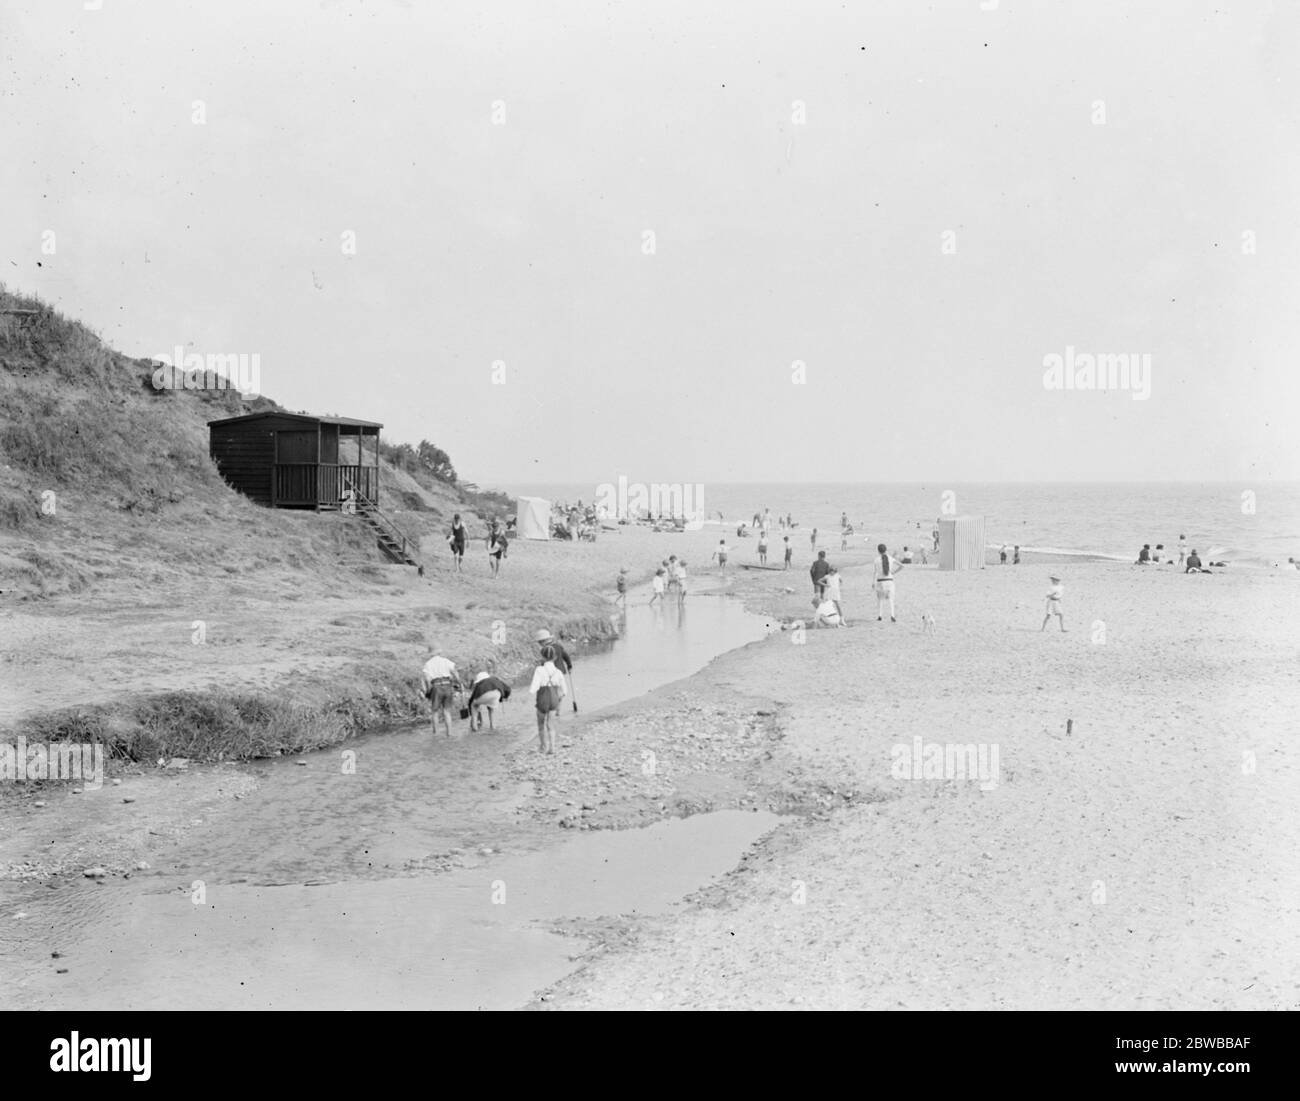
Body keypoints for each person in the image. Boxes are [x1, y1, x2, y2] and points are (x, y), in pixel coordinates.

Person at [529, 646, 567, 754]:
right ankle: (552, 748)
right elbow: (564, 690)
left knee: (541, 724)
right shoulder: (558, 671)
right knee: (551, 725)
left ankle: (543, 747)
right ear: (555, 657)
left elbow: (533, 688)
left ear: (542, 657)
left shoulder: (539, 670)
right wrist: (559, 698)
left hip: (542, 699)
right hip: (554, 699)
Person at [419, 648, 462, 737]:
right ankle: (449, 734)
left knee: (435, 712)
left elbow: (427, 679)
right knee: (447, 711)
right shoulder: (446, 661)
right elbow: (455, 672)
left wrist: (428, 691)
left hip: (436, 687)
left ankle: (435, 734)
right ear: (439, 653)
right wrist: (459, 684)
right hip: (448, 686)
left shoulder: (428, 664)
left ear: (430, 654)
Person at [873, 543, 903, 623]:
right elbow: (902, 566)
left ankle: (880, 615)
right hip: (889, 580)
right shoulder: (891, 558)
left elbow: (875, 572)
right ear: (886, 550)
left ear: (878, 551)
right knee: (891, 599)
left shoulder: (876, 560)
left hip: (880, 581)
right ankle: (892, 615)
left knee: (880, 600)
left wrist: (873, 582)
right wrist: (893, 572)